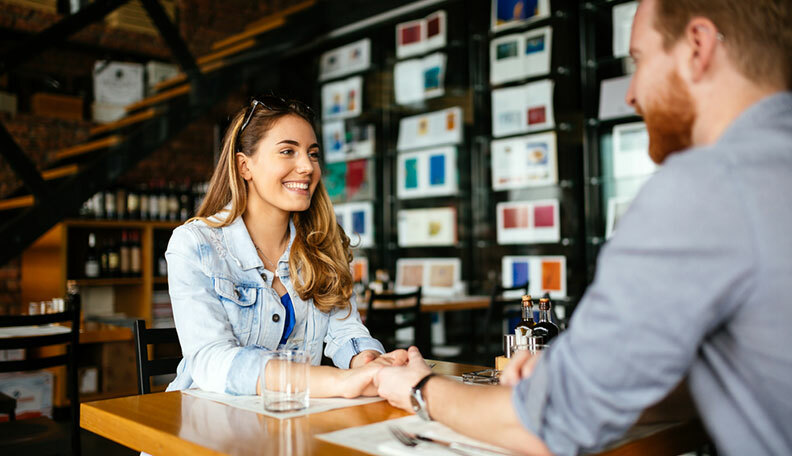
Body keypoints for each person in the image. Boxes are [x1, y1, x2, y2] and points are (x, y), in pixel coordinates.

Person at [376, 0, 792, 454]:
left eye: (639, 60)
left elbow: (550, 427)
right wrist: (581, 373)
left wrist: (421, 389)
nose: (631, 93)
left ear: (697, 46)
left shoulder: (709, 183)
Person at [165, 96, 406, 398]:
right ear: (244, 166)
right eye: (287, 151)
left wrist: (371, 363)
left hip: (290, 427)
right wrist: (336, 382)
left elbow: (347, 333)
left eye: (313, 154)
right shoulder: (195, 244)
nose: (307, 166)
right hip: (202, 428)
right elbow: (211, 361)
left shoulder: (324, 244)